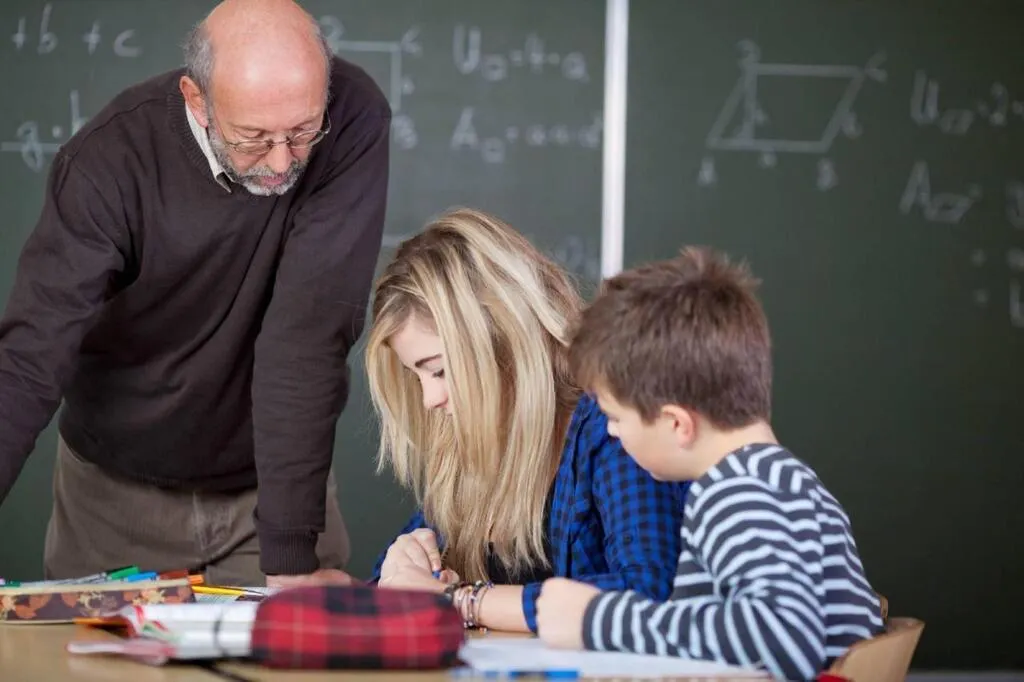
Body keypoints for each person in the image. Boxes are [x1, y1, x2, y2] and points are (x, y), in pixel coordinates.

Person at [0, 0, 391, 587]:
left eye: (303, 131)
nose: (283, 163)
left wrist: (287, 560)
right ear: (196, 99)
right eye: (254, 138)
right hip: (114, 494)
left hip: (275, 486)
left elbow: (306, 335)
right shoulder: (108, 162)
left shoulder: (353, 118)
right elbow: (30, 358)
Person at [535, 247, 884, 681]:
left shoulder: (740, 493)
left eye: (615, 417)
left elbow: (781, 642)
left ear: (677, 423)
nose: (611, 433)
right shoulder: (781, 481)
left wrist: (598, 618)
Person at [363, 207, 689, 633]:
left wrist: (464, 601)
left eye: (440, 370)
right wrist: (398, 566)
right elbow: (393, 588)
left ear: (503, 340)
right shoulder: (475, 448)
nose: (429, 399)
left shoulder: (614, 428)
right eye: (417, 375)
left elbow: (646, 595)